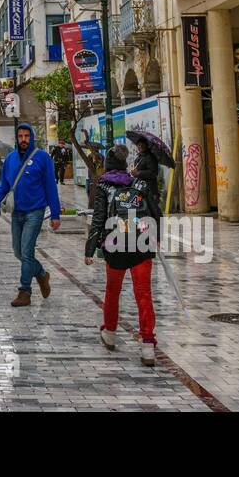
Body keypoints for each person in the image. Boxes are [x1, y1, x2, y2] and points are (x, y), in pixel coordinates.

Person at [84, 145, 158, 367]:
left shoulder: (103, 186)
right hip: (141, 244)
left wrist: (89, 249)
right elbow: (156, 213)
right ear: (125, 165)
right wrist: (157, 238)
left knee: (112, 291)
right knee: (143, 294)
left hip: (115, 245)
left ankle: (110, 333)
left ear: (108, 166)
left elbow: (98, 218)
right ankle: (147, 344)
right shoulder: (140, 184)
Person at [0, 123, 61, 307]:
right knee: (18, 252)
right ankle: (42, 275)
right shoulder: (11, 159)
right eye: (20, 136)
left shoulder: (43, 158)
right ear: (16, 138)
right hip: (17, 212)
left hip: (35, 211)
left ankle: (24, 291)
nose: (23, 140)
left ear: (32, 137)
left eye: (26, 136)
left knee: (27, 252)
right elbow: (4, 184)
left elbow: (51, 187)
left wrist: (55, 214)